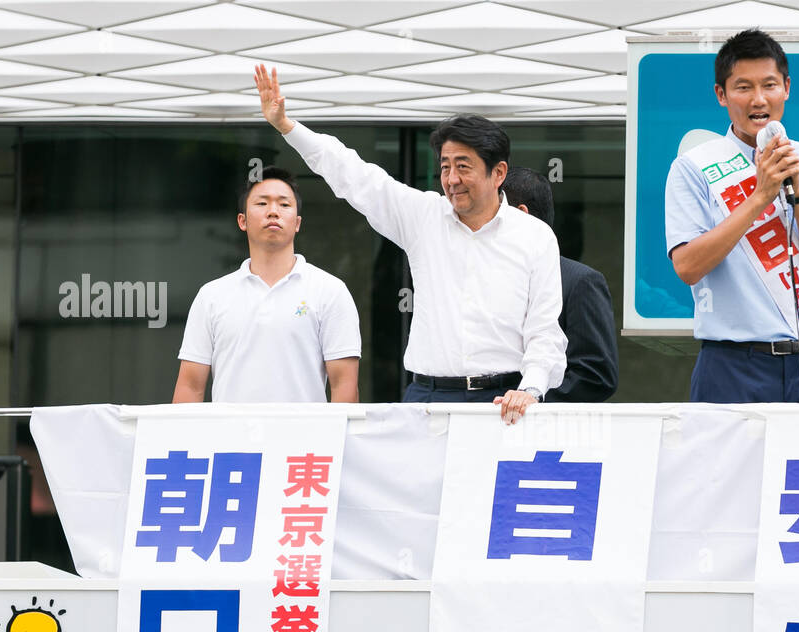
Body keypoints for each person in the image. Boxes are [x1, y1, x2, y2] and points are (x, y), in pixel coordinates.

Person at [254, 65, 565, 424]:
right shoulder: (423, 217)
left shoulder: (534, 236)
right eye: (445, 166)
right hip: (424, 398)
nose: (451, 179)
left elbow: (545, 330)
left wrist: (530, 389)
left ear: (498, 173)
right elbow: (353, 175)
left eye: (463, 166)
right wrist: (287, 127)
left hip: (502, 402)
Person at [664, 28, 799, 404]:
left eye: (769, 85)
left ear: (787, 88)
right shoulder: (693, 168)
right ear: (722, 95)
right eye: (743, 87)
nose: (759, 99)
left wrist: (797, 194)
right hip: (729, 364)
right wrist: (759, 197)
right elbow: (687, 266)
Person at [173, 165, 361, 404]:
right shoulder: (211, 296)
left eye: (284, 205)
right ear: (242, 221)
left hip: (305, 439)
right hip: (229, 440)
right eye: (262, 204)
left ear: (297, 223)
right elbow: (190, 387)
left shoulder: (330, 291)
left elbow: (345, 385)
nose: (273, 211)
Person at [501, 166, 617, 402]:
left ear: (522, 214)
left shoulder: (580, 281)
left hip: (541, 429)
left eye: (493, 212)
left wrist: (532, 398)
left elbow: (596, 375)